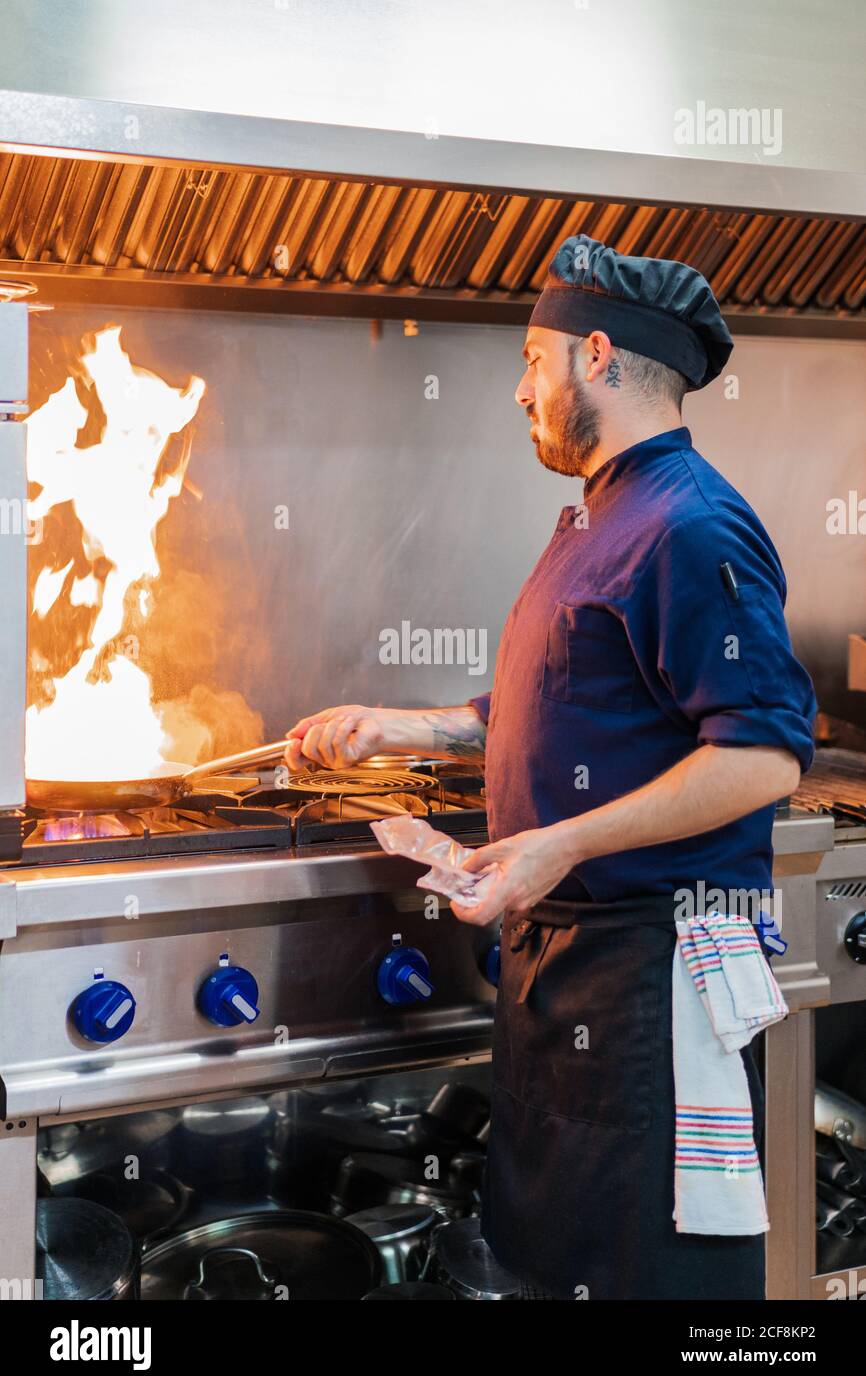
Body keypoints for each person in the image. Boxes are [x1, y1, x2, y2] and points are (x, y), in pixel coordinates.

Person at [284, 234, 817, 1300]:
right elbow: (559, 704)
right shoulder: (597, 515)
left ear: (598, 357)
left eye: (533, 358)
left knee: (647, 1277)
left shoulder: (689, 523)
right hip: (567, 970)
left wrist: (558, 844)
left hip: (645, 985)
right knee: (556, 1266)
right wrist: (399, 727)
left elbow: (760, 755)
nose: (519, 389)